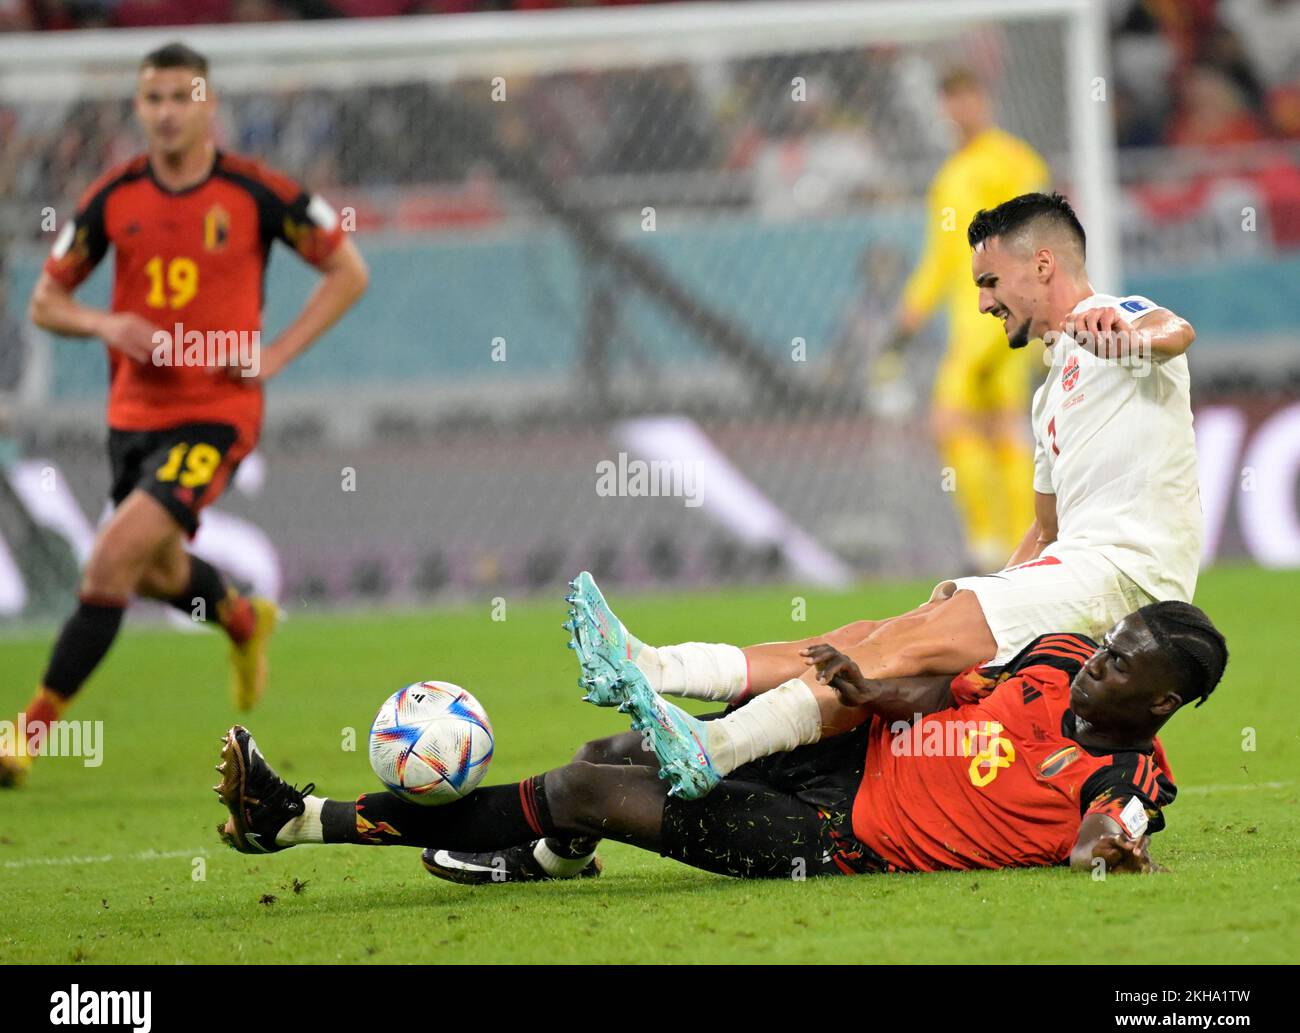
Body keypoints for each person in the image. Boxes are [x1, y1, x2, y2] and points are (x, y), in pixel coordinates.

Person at [564, 190, 1202, 798]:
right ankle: (656, 668)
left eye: (989, 283)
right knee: (873, 633)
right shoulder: (1048, 391)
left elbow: (1175, 332)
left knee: (896, 652)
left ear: (1042, 265)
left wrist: (1124, 333)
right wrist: (992, 591)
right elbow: (1048, 527)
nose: (982, 303)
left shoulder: (1120, 322)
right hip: (1080, 572)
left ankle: (717, 748)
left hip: (1130, 582)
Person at [212, 602, 1227, 882]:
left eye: (1129, 658)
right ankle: (549, 863)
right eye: (1115, 639)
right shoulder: (1052, 654)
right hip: (845, 754)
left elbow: (1110, 827)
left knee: (583, 787)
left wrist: (1107, 846)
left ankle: (294, 820)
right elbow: (951, 683)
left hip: (832, 835)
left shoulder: (1130, 772)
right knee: (611, 751)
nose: (1105, 655)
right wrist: (869, 688)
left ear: (1167, 697)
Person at [0, 42, 368, 788]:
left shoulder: (258, 192)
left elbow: (346, 270)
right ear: (139, 108)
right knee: (153, 569)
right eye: (152, 99)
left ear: (209, 105)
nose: (166, 113)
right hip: (133, 415)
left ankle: (26, 734)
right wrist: (108, 326)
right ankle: (238, 617)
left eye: (180, 97)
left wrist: (274, 356)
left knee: (109, 558)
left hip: (217, 415)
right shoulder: (112, 198)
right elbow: (46, 301)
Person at [882, 68, 1050, 570]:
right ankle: (1023, 551)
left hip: (1004, 318)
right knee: (1003, 427)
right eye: (951, 100)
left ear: (985, 99)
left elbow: (1042, 235)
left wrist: (1037, 309)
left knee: (951, 419)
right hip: (971, 318)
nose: (961, 109)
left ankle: (990, 545)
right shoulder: (951, 174)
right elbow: (941, 260)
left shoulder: (1012, 160)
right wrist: (907, 320)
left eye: (968, 97)